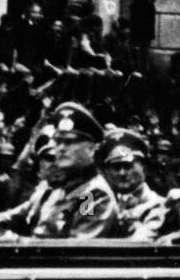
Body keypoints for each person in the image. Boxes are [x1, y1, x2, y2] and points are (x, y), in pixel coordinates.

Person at [29, 102, 118, 238]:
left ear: (90, 149)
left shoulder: (91, 195)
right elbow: (17, 217)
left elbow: (76, 250)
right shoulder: (59, 189)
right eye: (58, 141)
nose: (61, 148)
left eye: (69, 142)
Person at [97, 129, 166, 240]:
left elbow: (139, 244)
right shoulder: (93, 196)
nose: (122, 173)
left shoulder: (158, 204)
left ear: (144, 167)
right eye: (116, 167)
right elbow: (80, 229)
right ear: (106, 172)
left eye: (128, 166)